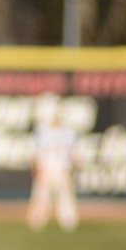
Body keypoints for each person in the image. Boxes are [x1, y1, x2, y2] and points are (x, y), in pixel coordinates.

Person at [27, 94, 80, 232]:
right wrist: (36, 167)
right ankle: (37, 219)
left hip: (62, 166)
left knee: (65, 194)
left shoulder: (68, 131)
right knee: (41, 194)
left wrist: (73, 166)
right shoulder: (42, 131)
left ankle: (68, 219)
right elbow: (35, 152)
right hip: (46, 165)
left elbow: (73, 152)